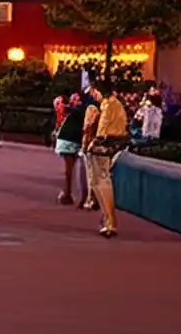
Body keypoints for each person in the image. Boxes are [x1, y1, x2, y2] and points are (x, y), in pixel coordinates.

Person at [82, 81, 128, 238]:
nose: (93, 95)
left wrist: (92, 144)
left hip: (103, 147)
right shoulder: (117, 104)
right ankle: (107, 218)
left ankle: (109, 221)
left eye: (94, 92)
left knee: (100, 181)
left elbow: (102, 129)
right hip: (114, 145)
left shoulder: (108, 105)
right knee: (99, 182)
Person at [53, 93, 89, 206]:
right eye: (73, 98)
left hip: (73, 140)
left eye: (76, 98)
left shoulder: (80, 110)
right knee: (71, 169)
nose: (74, 100)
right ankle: (68, 193)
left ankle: (69, 193)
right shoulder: (75, 111)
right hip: (70, 140)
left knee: (74, 170)